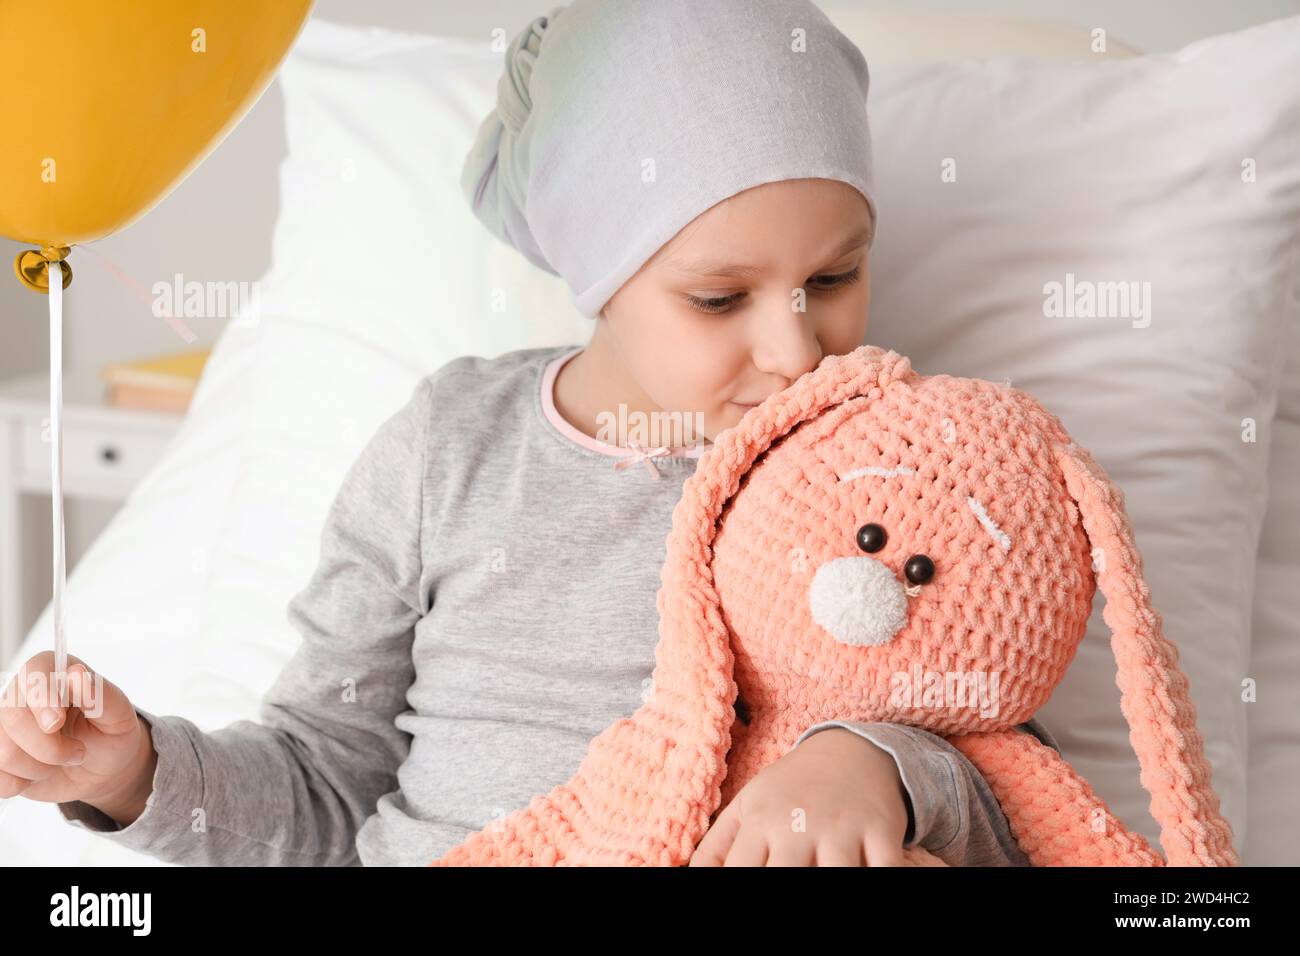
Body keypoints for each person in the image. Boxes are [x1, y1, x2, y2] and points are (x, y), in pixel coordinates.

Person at [0, 0, 1058, 866]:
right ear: (598, 275)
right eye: (718, 296)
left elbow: (1010, 762)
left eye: (832, 277)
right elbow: (319, 783)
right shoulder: (448, 451)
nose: (794, 350)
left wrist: (872, 762)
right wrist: (136, 775)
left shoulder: (887, 463)